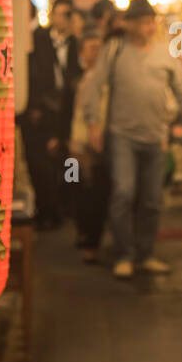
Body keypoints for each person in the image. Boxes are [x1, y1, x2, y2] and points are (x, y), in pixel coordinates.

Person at [84, 0, 182, 278]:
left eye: (152, 21)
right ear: (130, 24)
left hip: (156, 136)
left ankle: (145, 254)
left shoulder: (164, 53)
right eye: (144, 21)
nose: (149, 26)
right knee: (123, 192)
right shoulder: (115, 50)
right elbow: (95, 85)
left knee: (151, 199)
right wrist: (93, 123)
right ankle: (124, 254)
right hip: (121, 135)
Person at [23, 0, 81, 229]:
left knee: (69, 162)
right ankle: (47, 208)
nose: (63, 19)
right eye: (59, 13)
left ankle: (68, 205)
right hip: (43, 111)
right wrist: (35, 106)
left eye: (68, 14)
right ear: (53, 15)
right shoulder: (38, 40)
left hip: (68, 112)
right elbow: (31, 75)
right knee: (42, 164)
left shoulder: (77, 44)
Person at [70, 25, 109, 263]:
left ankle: (92, 241)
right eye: (91, 48)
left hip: (96, 144)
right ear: (82, 53)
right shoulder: (77, 79)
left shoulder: (107, 80)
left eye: (99, 48)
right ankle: (83, 232)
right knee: (76, 188)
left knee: (95, 192)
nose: (95, 53)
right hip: (75, 145)